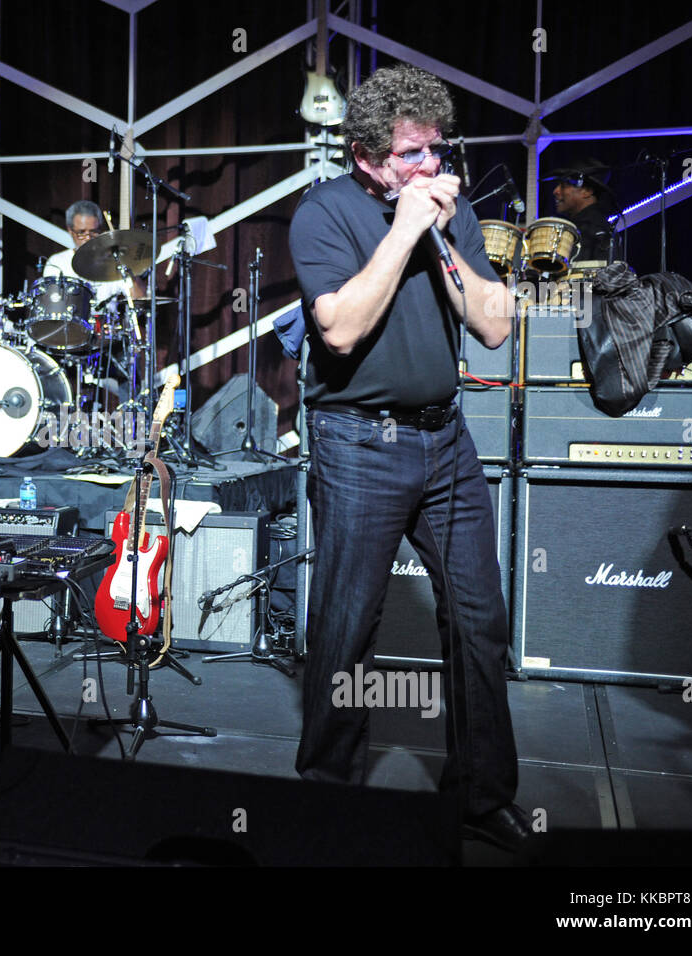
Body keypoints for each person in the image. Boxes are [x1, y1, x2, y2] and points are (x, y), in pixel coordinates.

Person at [288, 64, 529, 851]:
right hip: (359, 443)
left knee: (479, 619)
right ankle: (328, 793)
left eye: (436, 150)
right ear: (366, 157)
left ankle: (481, 794)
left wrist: (447, 241)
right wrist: (403, 231)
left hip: (445, 440)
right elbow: (342, 331)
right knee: (348, 625)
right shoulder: (322, 214)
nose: (429, 167)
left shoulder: (447, 215)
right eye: (411, 155)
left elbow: (494, 328)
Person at [543, 158, 617, 264]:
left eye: (564, 185)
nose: (556, 191)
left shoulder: (598, 234)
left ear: (587, 191)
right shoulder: (576, 229)